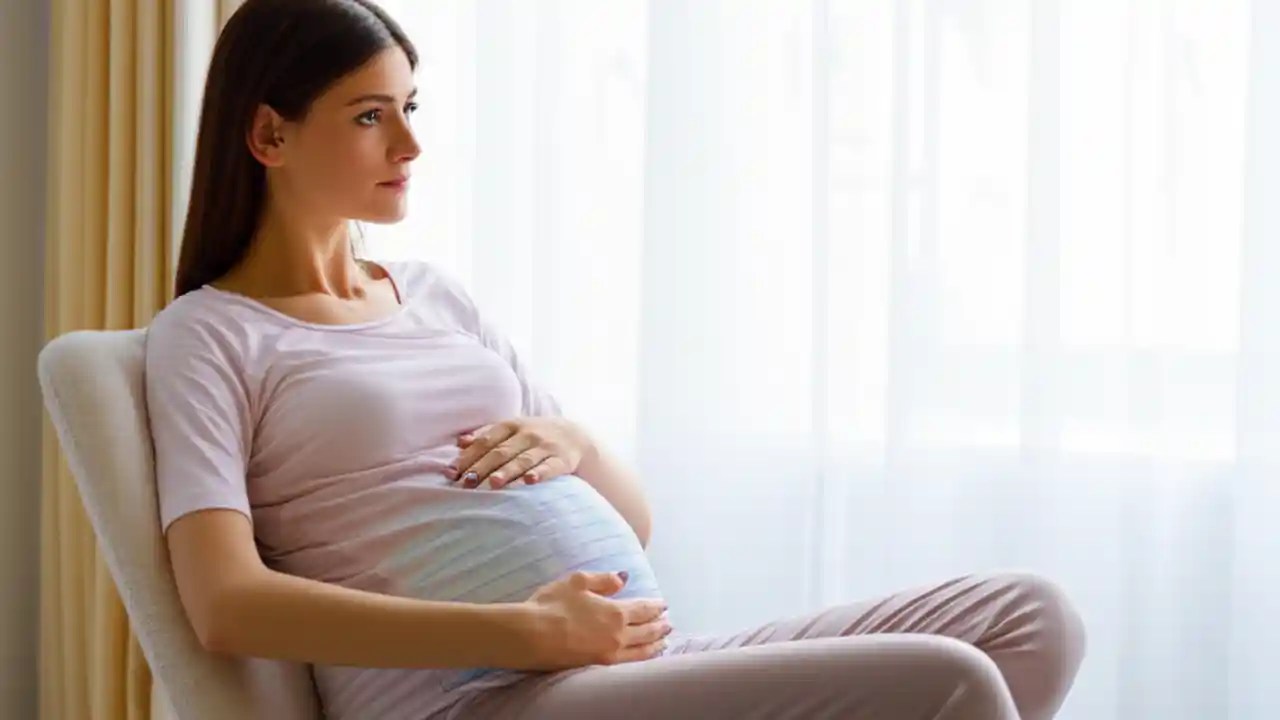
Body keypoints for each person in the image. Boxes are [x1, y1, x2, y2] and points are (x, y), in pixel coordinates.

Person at [147, 1, 1086, 718]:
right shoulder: (211, 335)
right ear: (270, 135)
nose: (411, 144)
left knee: (1030, 619)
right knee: (954, 682)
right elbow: (227, 603)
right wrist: (524, 631)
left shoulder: (434, 294)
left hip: (628, 664)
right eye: (369, 116)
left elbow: (632, 522)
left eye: (411, 107)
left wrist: (570, 439)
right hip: (481, 699)